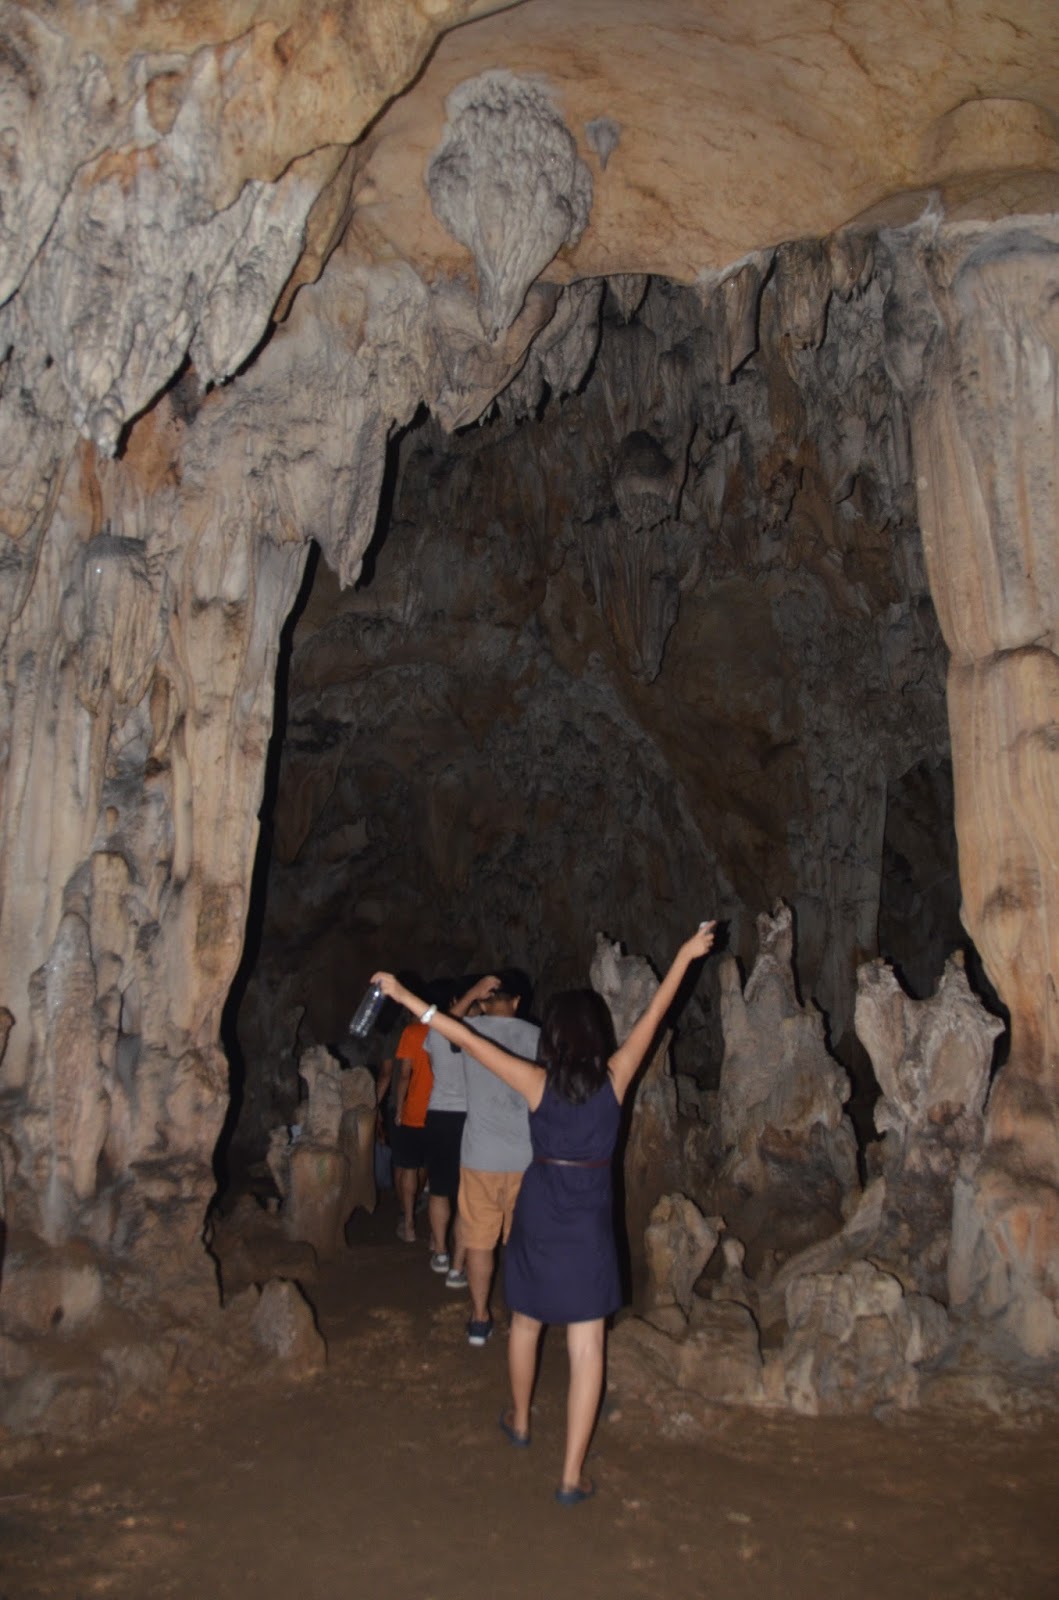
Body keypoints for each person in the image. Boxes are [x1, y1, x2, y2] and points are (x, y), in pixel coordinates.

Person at [373, 920, 717, 1505]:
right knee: (588, 1347)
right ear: (597, 1036)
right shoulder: (615, 1079)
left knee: (526, 1324)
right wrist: (685, 954)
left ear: (552, 1038)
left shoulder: (536, 1081)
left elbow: (468, 1039)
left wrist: (407, 998)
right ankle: (570, 1475)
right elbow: (655, 1015)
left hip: (538, 1217)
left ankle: (521, 1419)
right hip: (588, 1227)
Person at [454, 972, 540, 1347]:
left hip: (480, 1157)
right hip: (527, 1157)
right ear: (517, 1002)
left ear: (484, 1002)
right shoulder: (537, 1037)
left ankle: (479, 1318)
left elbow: (442, 1024)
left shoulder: (470, 1032)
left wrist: (471, 993)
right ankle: (523, 1313)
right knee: (521, 1241)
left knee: (478, 1241)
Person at [385, 1013, 435, 1243]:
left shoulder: (412, 1033)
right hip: (441, 1110)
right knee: (435, 1170)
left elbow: (404, 1074)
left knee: (408, 1167)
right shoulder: (446, 1030)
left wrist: (399, 1109)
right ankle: (436, 1236)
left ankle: (409, 1225)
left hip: (414, 1110)